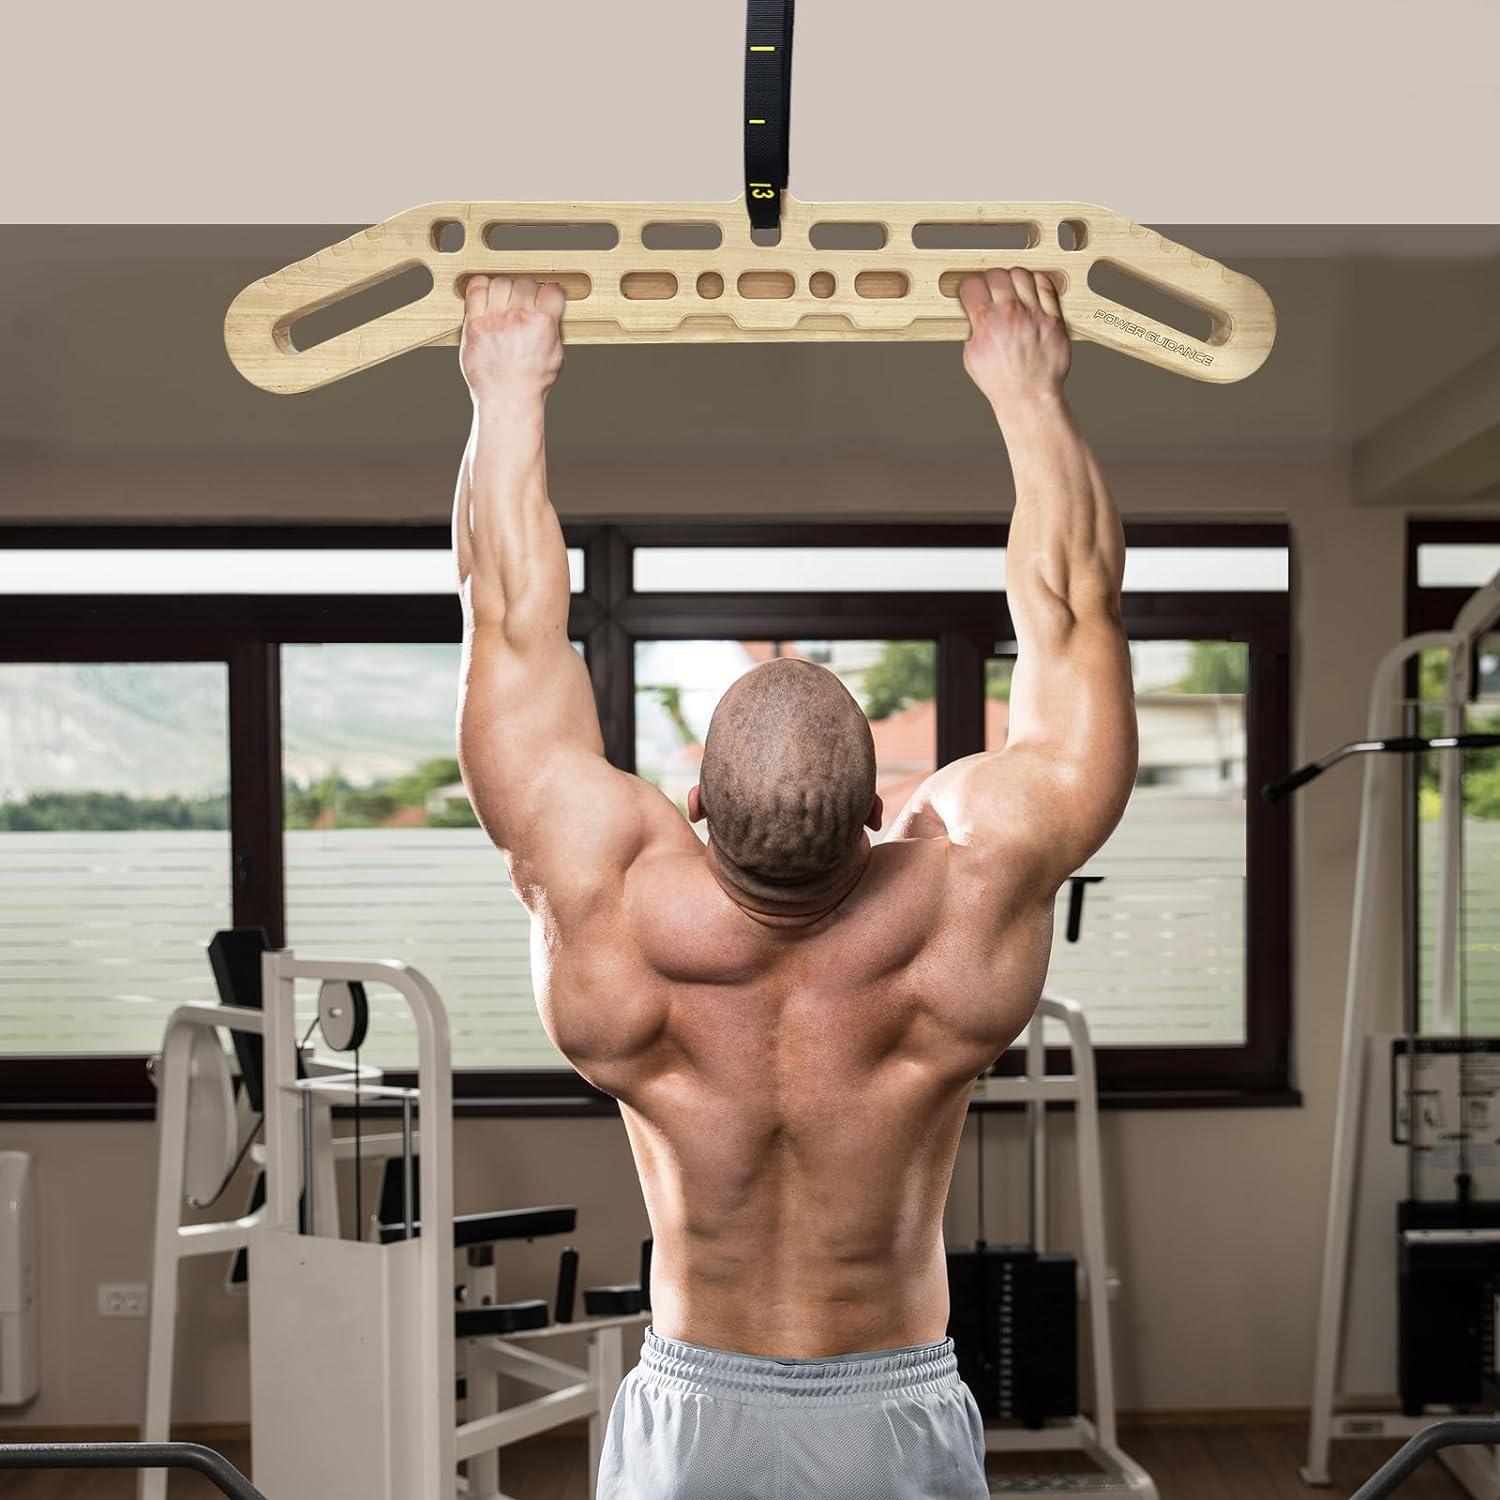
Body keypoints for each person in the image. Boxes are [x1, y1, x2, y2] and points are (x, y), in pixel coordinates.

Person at [452, 266, 1138, 1499]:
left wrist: (509, 388)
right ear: (880, 812)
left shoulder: (610, 912)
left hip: (696, 1408)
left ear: (695, 802)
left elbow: (507, 618)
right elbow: (1076, 615)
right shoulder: (961, 902)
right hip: (891, 1406)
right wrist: (1026, 390)